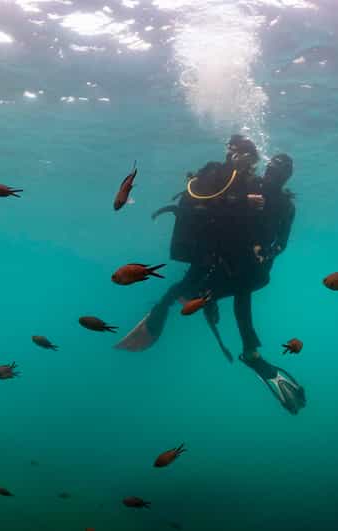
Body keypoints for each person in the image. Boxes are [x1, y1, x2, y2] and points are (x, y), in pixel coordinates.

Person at [115, 136, 306, 415]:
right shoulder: (249, 186)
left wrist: (266, 254)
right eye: (271, 169)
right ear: (266, 169)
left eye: (279, 172)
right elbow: (216, 207)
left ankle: (248, 348)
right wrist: (242, 201)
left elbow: (282, 242)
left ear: (286, 177)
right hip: (217, 257)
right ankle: (174, 312)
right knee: (196, 288)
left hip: (245, 265)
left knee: (238, 288)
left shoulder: (286, 206)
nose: (272, 175)